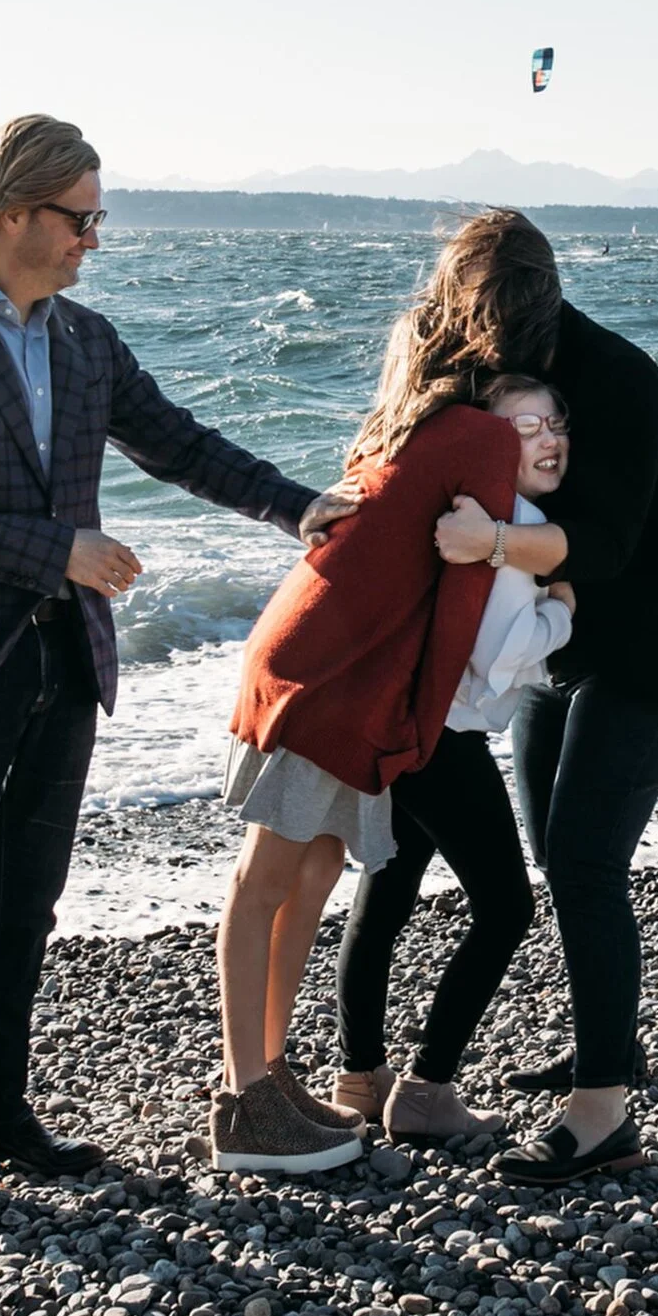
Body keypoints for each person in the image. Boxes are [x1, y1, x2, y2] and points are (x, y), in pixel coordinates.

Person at [0, 114, 351, 1210]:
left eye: (97, 218)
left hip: (64, 659)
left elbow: (181, 443)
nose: (92, 239)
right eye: (79, 217)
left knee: (26, 904)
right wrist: (59, 548)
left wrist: (300, 508)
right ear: (12, 210)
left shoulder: (84, 339)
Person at [427, 208, 658, 1185]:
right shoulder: (478, 359)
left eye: (508, 316)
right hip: (562, 648)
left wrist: (486, 545)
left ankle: (602, 1110)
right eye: (476, 317)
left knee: (584, 855)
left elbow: (601, 546)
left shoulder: (620, 379)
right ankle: (609, 1045)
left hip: (654, 643)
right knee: (559, 857)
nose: (492, 337)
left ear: (545, 294)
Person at [207, 275, 546, 1172]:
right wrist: (421, 730)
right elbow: (461, 600)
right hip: (323, 679)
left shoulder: (412, 423)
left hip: (327, 666)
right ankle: (242, 1100)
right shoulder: (478, 435)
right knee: (266, 877)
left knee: (313, 872)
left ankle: (270, 1077)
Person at [330, 374, 571, 1143]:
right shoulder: (516, 524)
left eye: (556, 422)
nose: (548, 438)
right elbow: (503, 652)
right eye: (524, 426)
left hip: (399, 720)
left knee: (388, 893)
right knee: (506, 906)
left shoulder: (460, 506)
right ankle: (429, 1085)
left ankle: (360, 1078)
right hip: (447, 735)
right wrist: (563, 608)